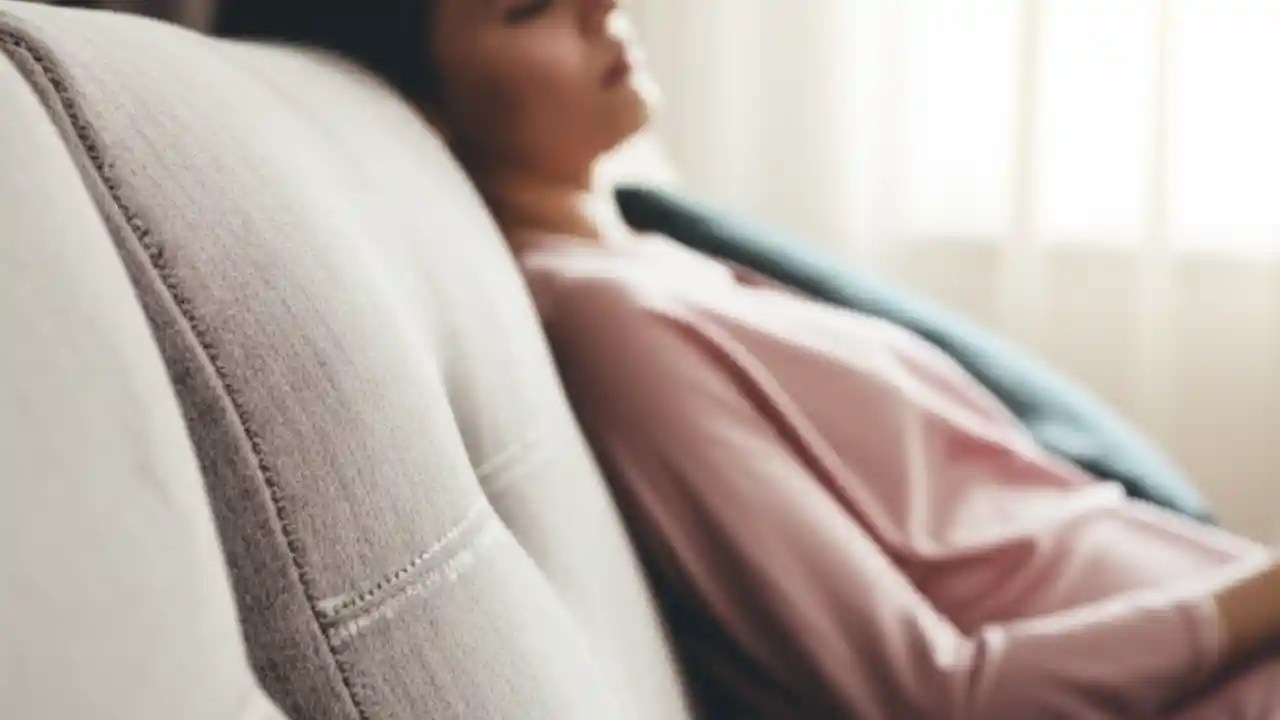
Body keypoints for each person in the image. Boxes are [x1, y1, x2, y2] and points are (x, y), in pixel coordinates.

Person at [221, 1, 1280, 717]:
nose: (596, 0)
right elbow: (926, 691)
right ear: (422, 108)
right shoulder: (612, 326)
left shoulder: (661, 260)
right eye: (524, 4)